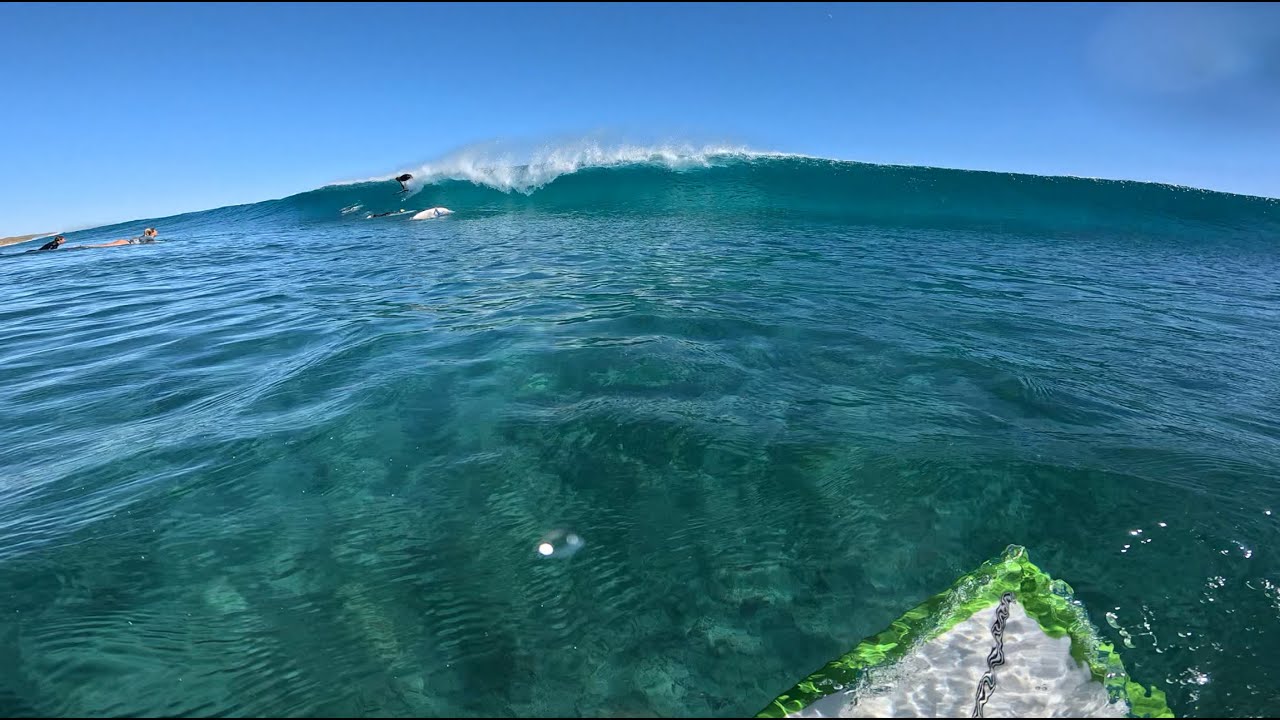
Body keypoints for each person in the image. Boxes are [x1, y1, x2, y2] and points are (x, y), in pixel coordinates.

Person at [77, 227, 159, 248]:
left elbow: (140, 238)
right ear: (152, 232)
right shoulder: (150, 238)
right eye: (156, 231)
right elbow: (141, 240)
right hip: (126, 242)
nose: (157, 232)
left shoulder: (146, 236)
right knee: (103, 246)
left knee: (104, 245)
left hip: (125, 241)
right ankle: (84, 246)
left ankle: (83, 246)